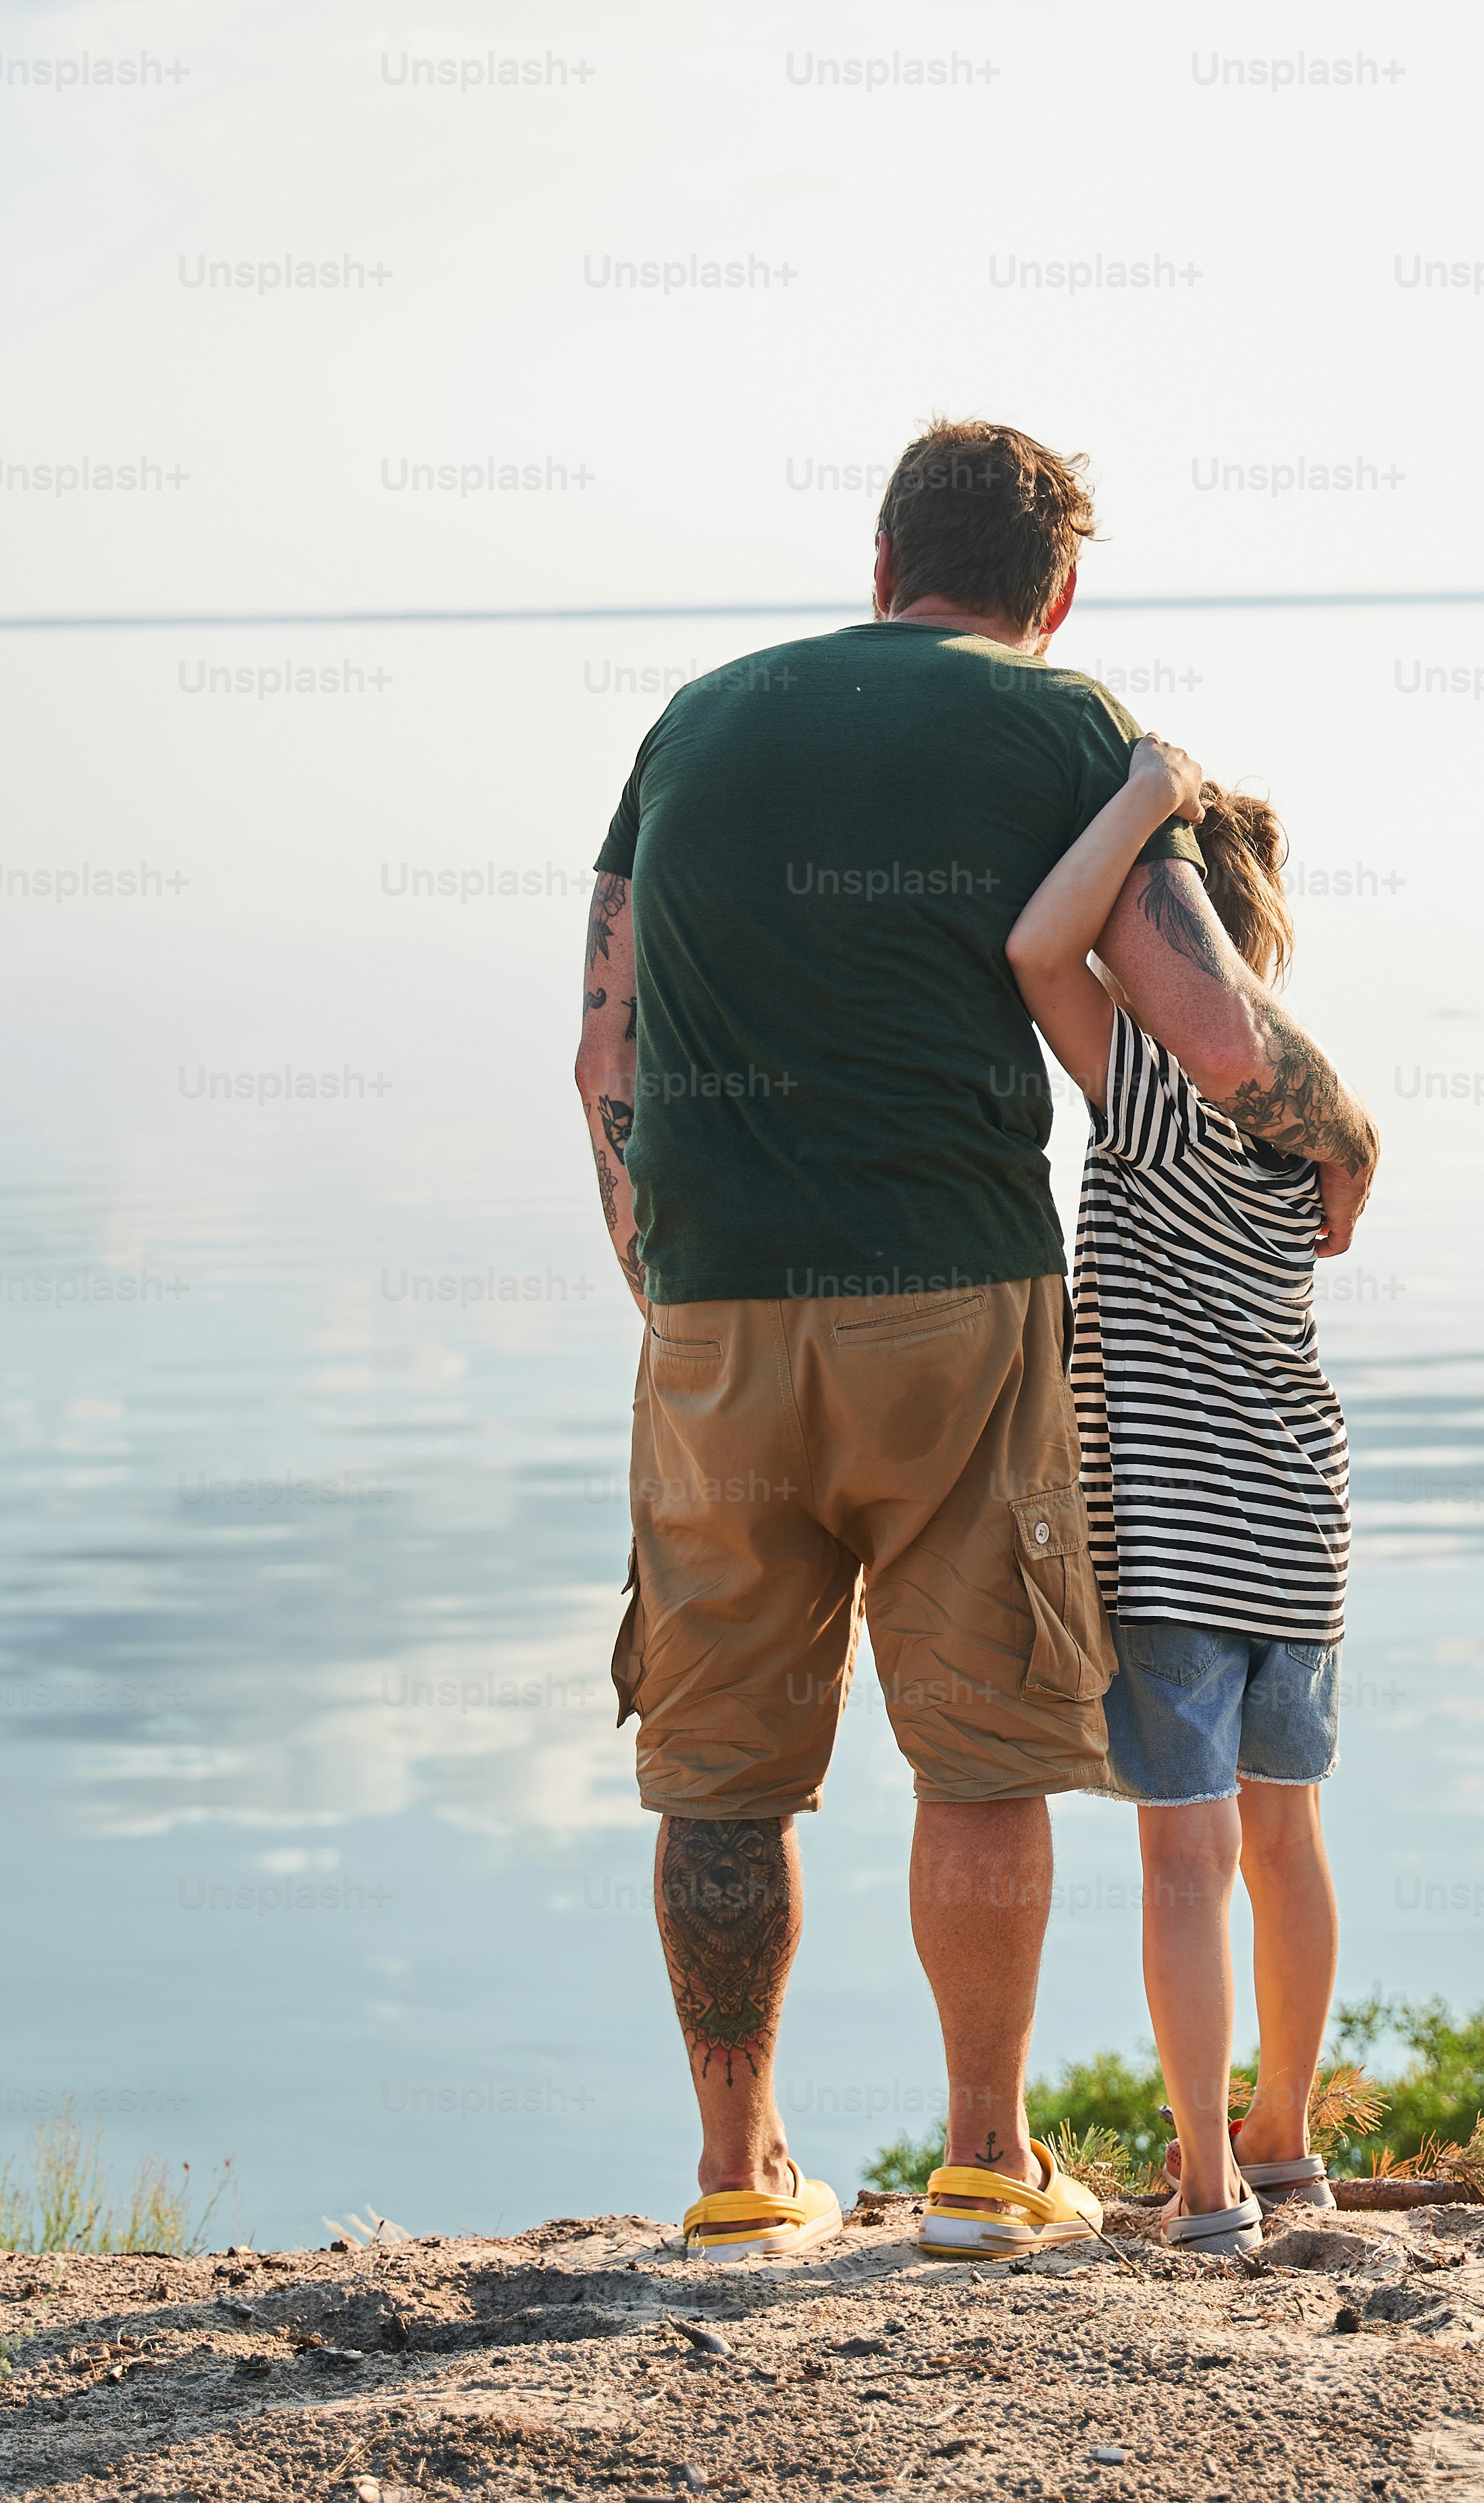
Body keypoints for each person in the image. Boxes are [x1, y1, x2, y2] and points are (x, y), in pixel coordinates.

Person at [570, 420, 1379, 2263]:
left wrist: (664, 1287)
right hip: (957, 1297)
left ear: (878, 563)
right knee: (984, 1743)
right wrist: (1343, 1132)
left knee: (722, 1772)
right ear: (1058, 592)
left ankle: (737, 2173)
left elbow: (605, 1055)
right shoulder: (1057, 723)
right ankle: (984, 2160)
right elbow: (1220, 1033)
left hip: (711, 1304)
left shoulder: (689, 725)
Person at [1006, 738, 1359, 2256]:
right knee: (1288, 1843)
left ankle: (1206, 2185)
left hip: (1169, 1531)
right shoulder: (1310, 1134)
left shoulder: (1151, 1091)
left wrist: (1143, 793)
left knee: (1181, 1858)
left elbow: (1037, 941)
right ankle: (1285, 2135)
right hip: (1299, 1518)